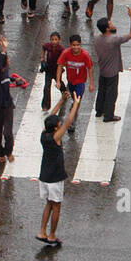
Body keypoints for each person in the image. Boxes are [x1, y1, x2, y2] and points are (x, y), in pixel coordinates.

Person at [37, 93, 81, 244]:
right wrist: (75, 104)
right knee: (56, 206)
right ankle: (52, 235)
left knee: (48, 203)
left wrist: (61, 100)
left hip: (44, 175)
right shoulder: (56, 137)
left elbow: (50, 116)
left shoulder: (44, 134)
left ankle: (42, 231)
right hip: (55, 177)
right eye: (58, 124)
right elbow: (68, 121)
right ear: (56, 127)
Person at [93, 8, 131, 123]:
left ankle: (99, 110)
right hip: (112, 72)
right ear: (107, 28)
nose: (112, 24)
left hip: (102, 70)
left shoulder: (97, 38)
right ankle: (109, 115)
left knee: (101, 91)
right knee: (112, 93)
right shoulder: (113, 40)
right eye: (109, 23)